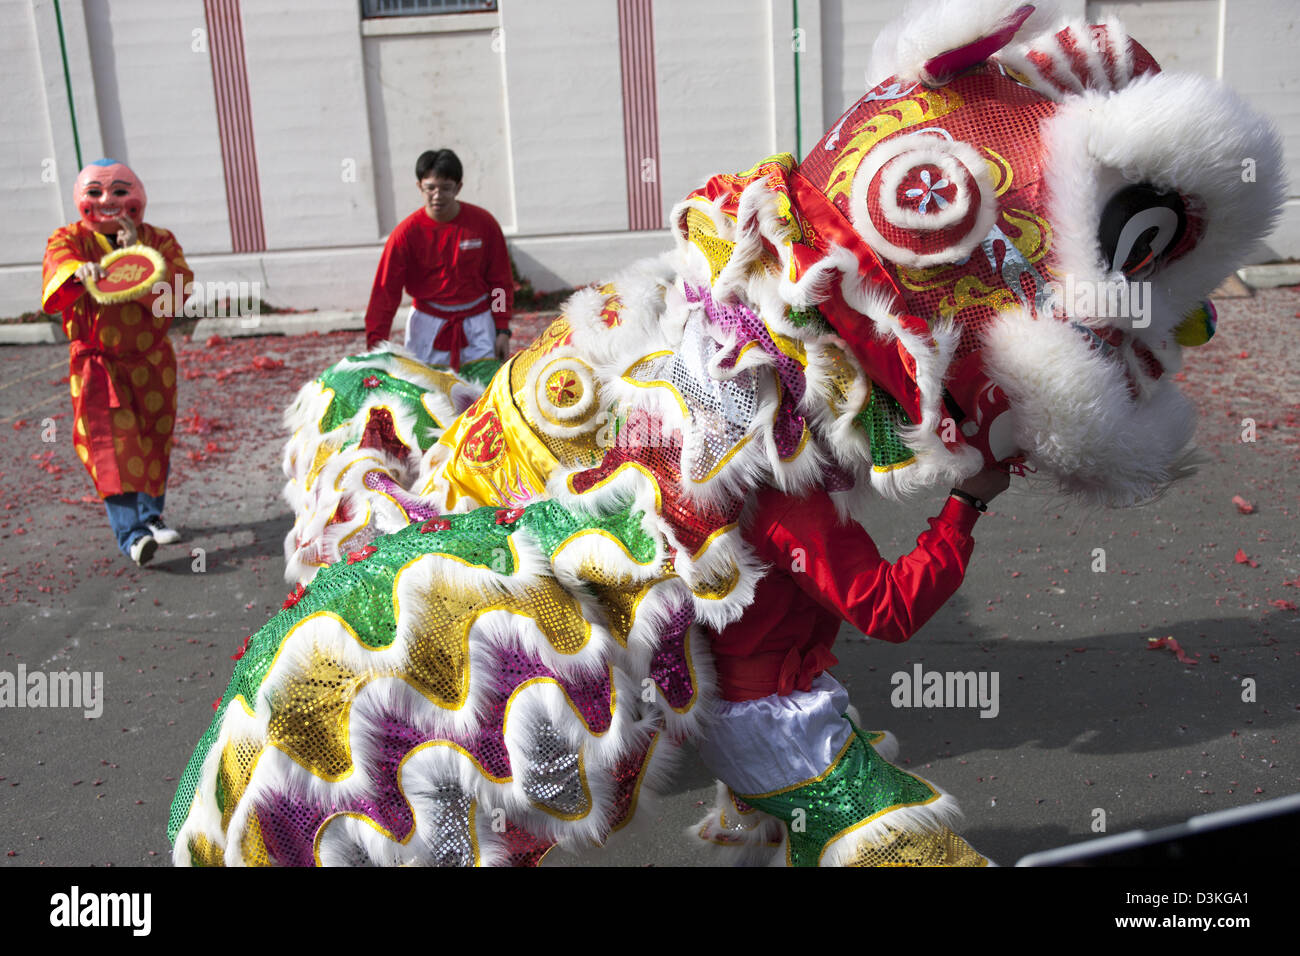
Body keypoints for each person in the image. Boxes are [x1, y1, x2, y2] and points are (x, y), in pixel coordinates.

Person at [41, 159, 192, 566]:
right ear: (80, 199)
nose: (108, 200)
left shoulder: (160, 240)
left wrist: (136, 256)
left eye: (121, 190)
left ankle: (151, 514)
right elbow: (59, 270)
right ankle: (132, 533)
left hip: (153, 362)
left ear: (139, 197)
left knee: (154, 439)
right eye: (95, 192)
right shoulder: (69, 239)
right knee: (113, 445)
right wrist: (80, 274)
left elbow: (177, 291)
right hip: (99, 365)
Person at [363, 149, 512, 372]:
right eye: (430, 187)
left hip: (479, 325)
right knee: (430, 397)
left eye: (445, 188)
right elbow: (385, 294)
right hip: (426, 327)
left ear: (458, 188)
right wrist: (376, 347)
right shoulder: (405, 235)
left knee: (484, 395)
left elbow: (499, 281)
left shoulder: (484, 224)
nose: (437, 195)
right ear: (419, 187)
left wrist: (502, 328)